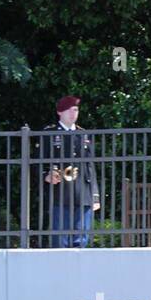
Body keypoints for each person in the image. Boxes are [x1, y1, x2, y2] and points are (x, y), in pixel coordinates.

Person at [40, 96, 101, 248]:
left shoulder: (84, 134)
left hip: (83, 194)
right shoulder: (49, 134)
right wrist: (46, 175)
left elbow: (90, 167)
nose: (73, 113)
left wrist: (95, 196)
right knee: (60, 241)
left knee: (81, 241)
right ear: (60, 112)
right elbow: (39, 161)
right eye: (69, 110)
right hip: (60, 193)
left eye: (75, 110)